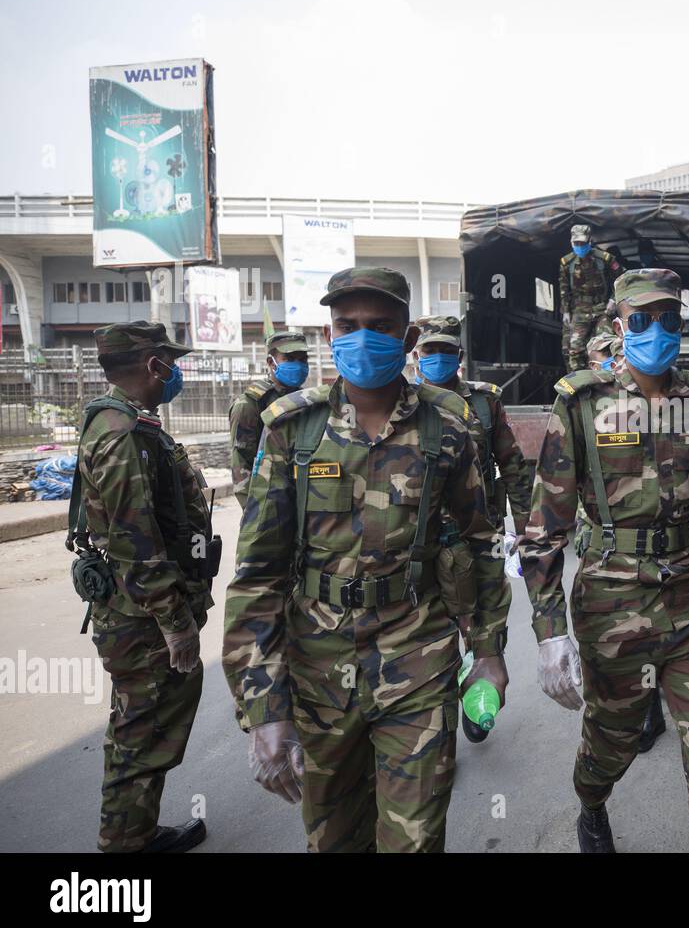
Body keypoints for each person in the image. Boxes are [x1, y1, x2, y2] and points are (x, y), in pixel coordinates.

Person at [223, 267, 509, 852]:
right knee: (334, 839)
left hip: (418, 657)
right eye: (347, 325)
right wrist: (263, 707)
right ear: (330, 336)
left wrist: (488, 652)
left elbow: (480, 544)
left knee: (415, 838)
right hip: (317, 669)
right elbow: (257, 574)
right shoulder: (292, 430)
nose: (362, 338)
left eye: (379, 326)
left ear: (406, 339)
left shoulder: (448, 427)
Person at [519, 268, 689, 853]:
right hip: (613, 603)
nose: (658, 331)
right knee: (613, 742)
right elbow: (544, 527)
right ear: (620, 327)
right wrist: (550, 634)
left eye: (670, 319)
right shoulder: (582, 403)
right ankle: (593, 803)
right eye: (643, 320)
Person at [69, 321, 216, 853]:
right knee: (141, 734)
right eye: (169, 362)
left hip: (139, 611)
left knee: (142, 727)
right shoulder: (122, 434)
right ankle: (125, 848)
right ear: (154, 366)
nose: (174, 371)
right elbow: (135, 542)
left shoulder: (123, 423)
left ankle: (135, 831)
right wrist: (176, 626)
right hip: (145, 619)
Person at [411, 313, 534, 743]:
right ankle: (437, 712)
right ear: (416, 355)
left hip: (478, 535)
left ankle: (478, 685)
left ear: (459, 356)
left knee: (484, 621)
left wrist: (527, 528)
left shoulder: (484, 402)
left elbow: (514, 467)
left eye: (447, 350)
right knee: (429, 628)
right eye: (431, 351)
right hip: (420, 542)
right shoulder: (403, 402)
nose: (438, 358)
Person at [229, 330, 309, 507]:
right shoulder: (250, 404)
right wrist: (254, 513)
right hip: (269, 502)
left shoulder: (307, 399)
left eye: (302, 360)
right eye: (289, 359)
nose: (298, 365)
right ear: (270, 362)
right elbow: (242, 465)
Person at [559, 224, 622, 373]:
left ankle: (609, 377)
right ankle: (577, 380)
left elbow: (621, 280)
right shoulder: (566, 263)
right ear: (571, 242)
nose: (579, 246)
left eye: (583, 243)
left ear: (590, 241)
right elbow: (564, 288)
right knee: (574, 348)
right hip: (580, 309)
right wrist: (566, 311)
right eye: (576, 243)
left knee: (607, 343)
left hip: (602, 308)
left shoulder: (605, 258)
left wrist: (613, 300)